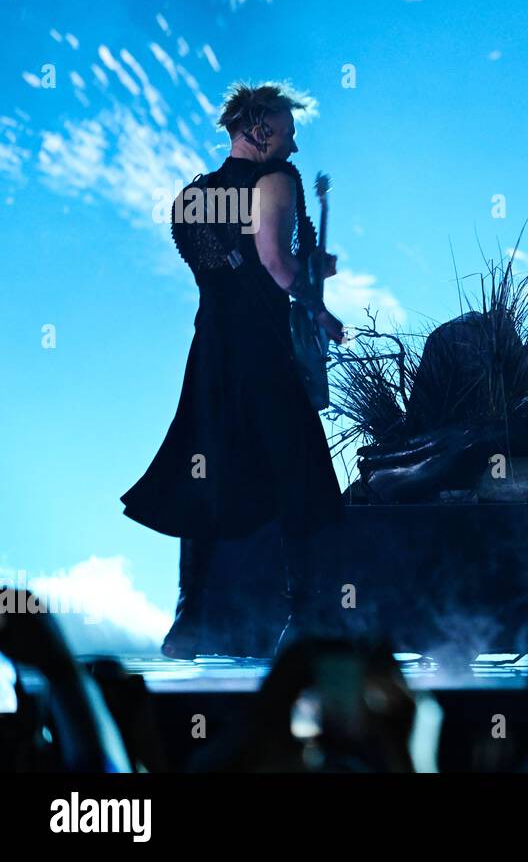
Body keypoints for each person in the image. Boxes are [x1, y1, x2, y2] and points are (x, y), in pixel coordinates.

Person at [121, 82, 347, 659]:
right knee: (300, 474)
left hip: (213, 353)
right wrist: (319, 306)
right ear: (261, 128)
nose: (294, 148)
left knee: (208, 473)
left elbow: (232, 267)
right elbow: (272, 264)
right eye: (288, 133)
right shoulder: (277, 181)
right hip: (264, 352)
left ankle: (188, 621)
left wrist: (307, 266)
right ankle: (304, 621)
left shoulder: (194, 197)